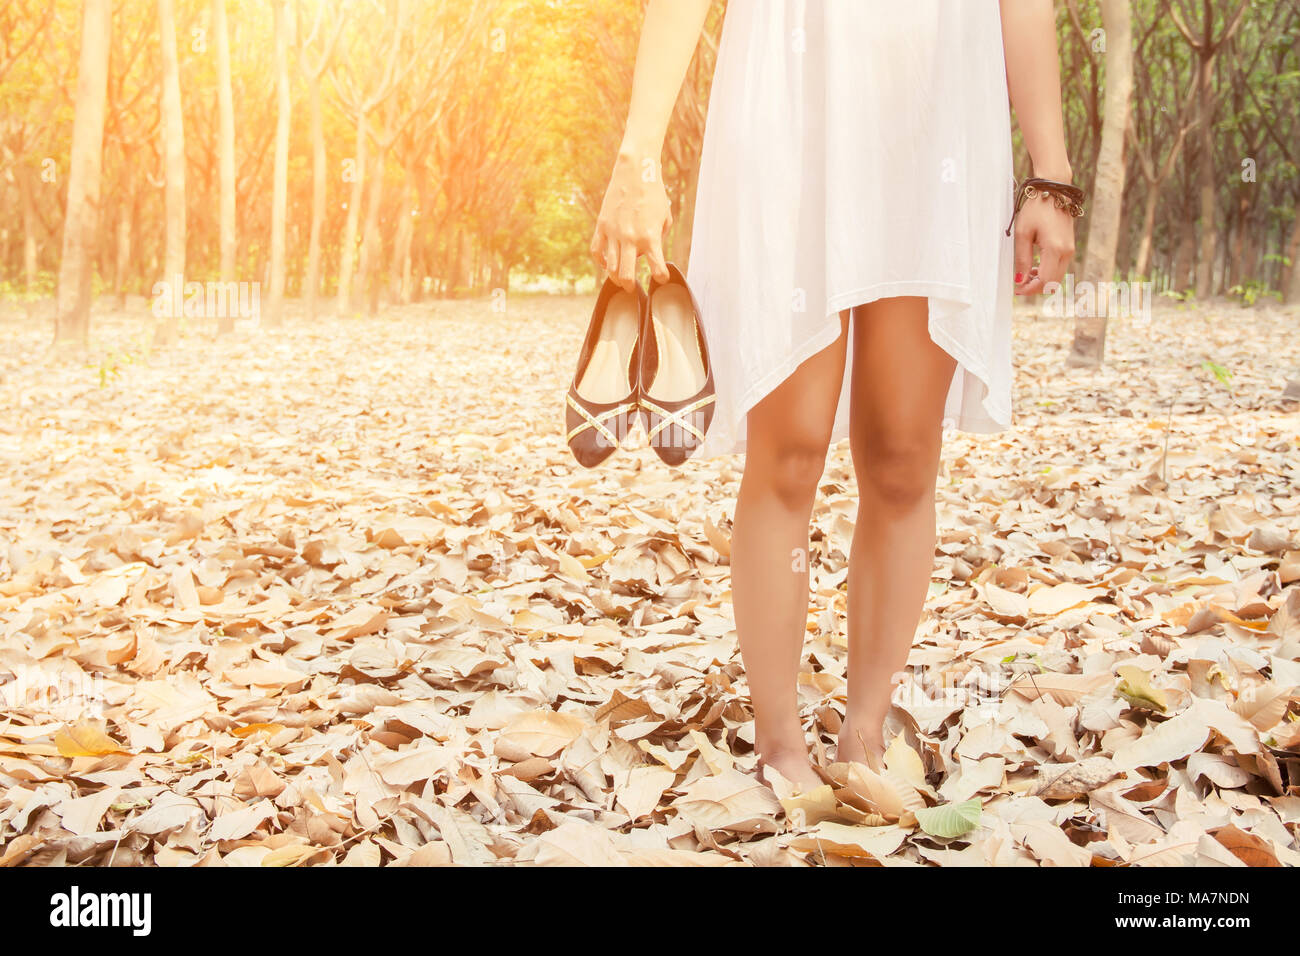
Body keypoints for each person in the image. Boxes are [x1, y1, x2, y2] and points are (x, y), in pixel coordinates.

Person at [589, 0, 1078, 792]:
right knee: (789, 453)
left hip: (938, 115)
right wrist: (637, 155)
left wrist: (1051, 175)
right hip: (789, 97)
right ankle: (780, 746)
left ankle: (864, 735)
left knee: (901, 459)